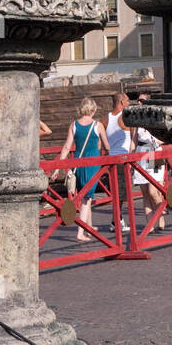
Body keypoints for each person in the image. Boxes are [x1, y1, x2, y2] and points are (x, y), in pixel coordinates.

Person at [60, 97, 110, 243]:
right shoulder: (97, 125)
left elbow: (67, 147)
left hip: (78, 163)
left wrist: (58, 167)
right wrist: (108, 157)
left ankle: (88, 228)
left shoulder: (74, 125)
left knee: (85, 196)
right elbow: (106, 145)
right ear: (93, 110)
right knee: (87, 200)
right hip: (93, 164)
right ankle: (80, 232)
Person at [101, 92, 134, 235]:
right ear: (121, 102)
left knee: (117, 193)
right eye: (127, 100)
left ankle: (117, 220)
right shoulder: (125, 117)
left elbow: (99, 137)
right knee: (121, 194)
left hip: (111, 159)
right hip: (123, 159)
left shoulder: (106, 118)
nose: (129, 103)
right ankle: (116, 222)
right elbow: (134, 137)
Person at [132, 93, 165, 231]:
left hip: (154, 151)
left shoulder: (156, 117)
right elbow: (133, 140)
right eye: (138, 101)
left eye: (142, 101)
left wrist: (156, 142)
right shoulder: (135, 120)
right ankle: (150, 224)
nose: (139, 103)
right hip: (141, 152)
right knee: (145, 190)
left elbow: (165, 137)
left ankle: (161, 214)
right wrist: (131, 159)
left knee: (153, 189)